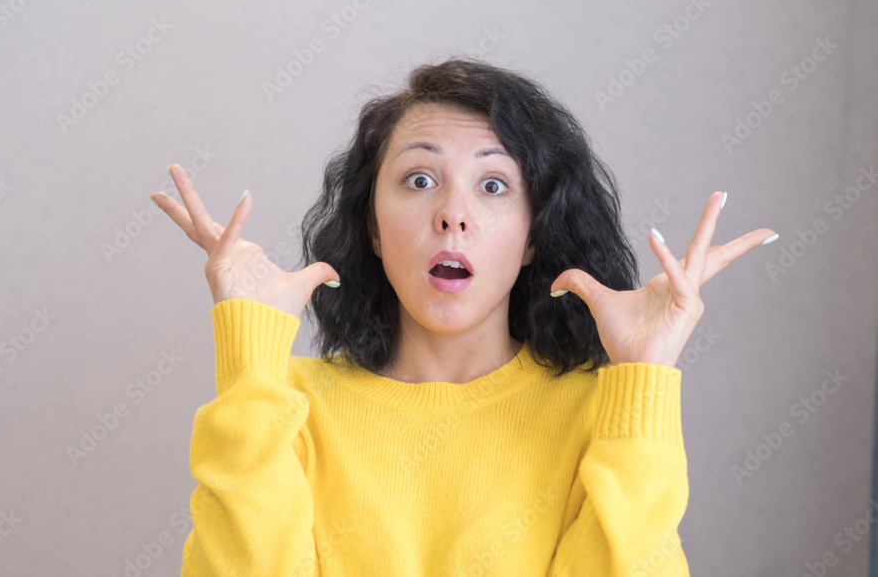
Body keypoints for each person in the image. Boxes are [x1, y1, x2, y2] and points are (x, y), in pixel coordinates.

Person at [151, 58, 778, 576]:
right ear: (371, 226)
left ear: (534, 235)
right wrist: (250, 363)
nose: (453, 214)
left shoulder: (602, 412)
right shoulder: (284, 405)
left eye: (494, 185)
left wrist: (642, 376)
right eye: (420, 180)